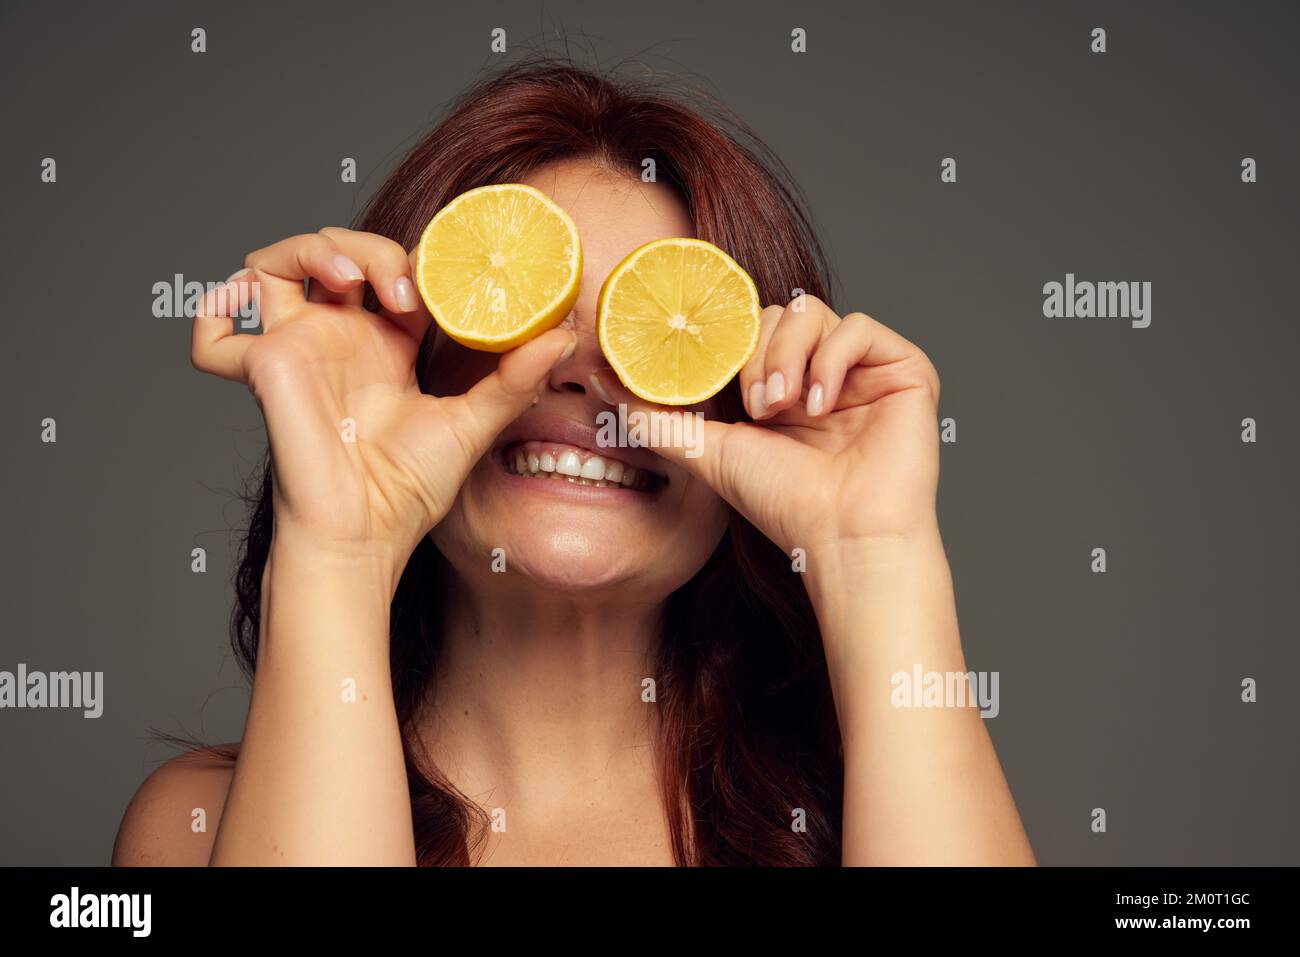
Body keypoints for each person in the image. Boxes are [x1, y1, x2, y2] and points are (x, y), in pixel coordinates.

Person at [113, 58, 1034, 866]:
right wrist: (339, 542)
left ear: (757, 403)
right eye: (526, 313)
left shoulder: (866, 817)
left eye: (653, 331)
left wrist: (875, 554)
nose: (586, 374)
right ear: (412, 363)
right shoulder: (201, 825)